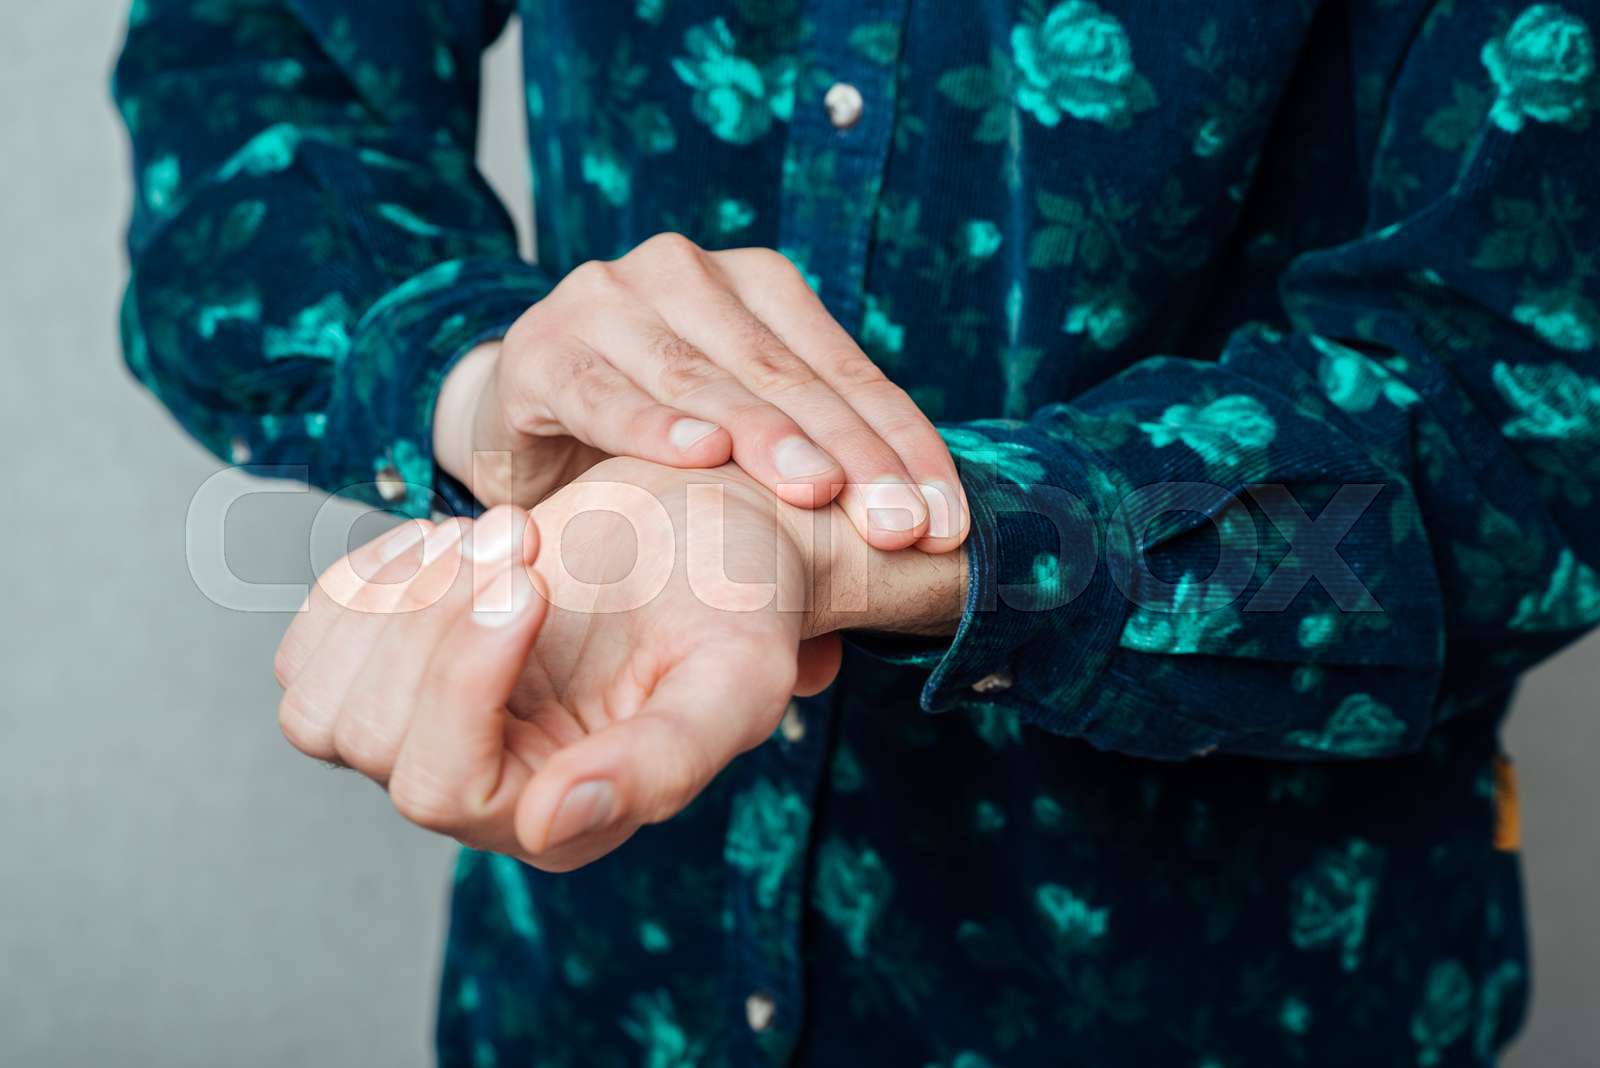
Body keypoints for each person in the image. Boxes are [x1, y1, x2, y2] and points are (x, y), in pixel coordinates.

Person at [113, 1, 1600, 1064]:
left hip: (1224, 993)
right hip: (602, 978)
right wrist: (486, 384)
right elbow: (252, 50)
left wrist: (896, 540)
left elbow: (1532, 413)